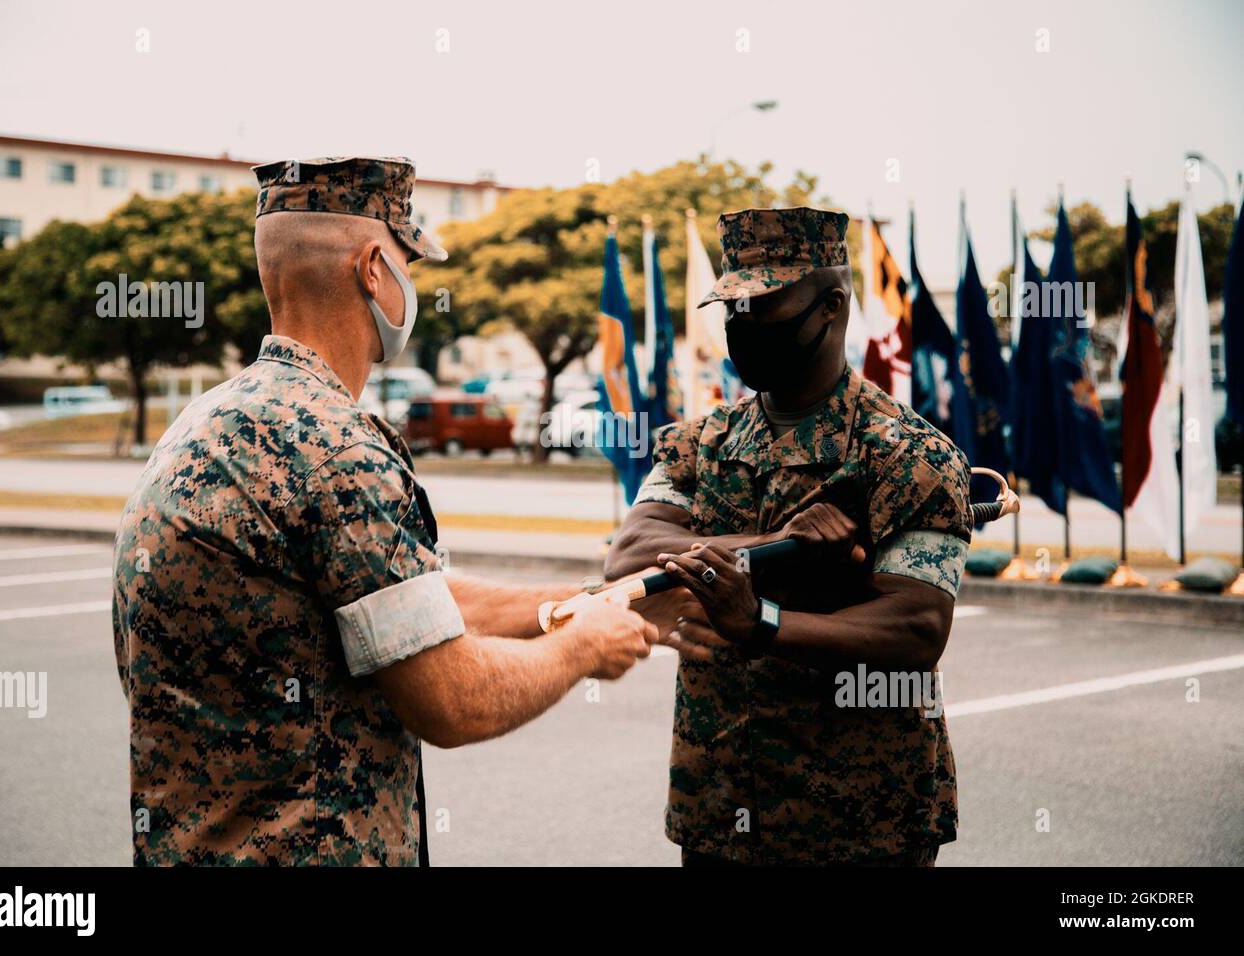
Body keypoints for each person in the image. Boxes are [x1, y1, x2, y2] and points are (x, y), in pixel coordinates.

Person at [112, 155, 656, 866]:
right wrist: (583, 646)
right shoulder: (338, 447)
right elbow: (454, 699)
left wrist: (571, 603)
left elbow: (385, 596)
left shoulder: (201, 425)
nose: (413, 281)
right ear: (374, 268)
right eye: (409, 259)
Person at [606, 206, 972, 866]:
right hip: (718, 806)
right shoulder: (698, 443)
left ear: (831, 305)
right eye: (732, 309)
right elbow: (630, 561)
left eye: (764, 305)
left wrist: (761, 622)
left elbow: (916, 626)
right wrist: (776, 544)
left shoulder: (907, 454)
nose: (742, 327)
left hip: (863, 822)